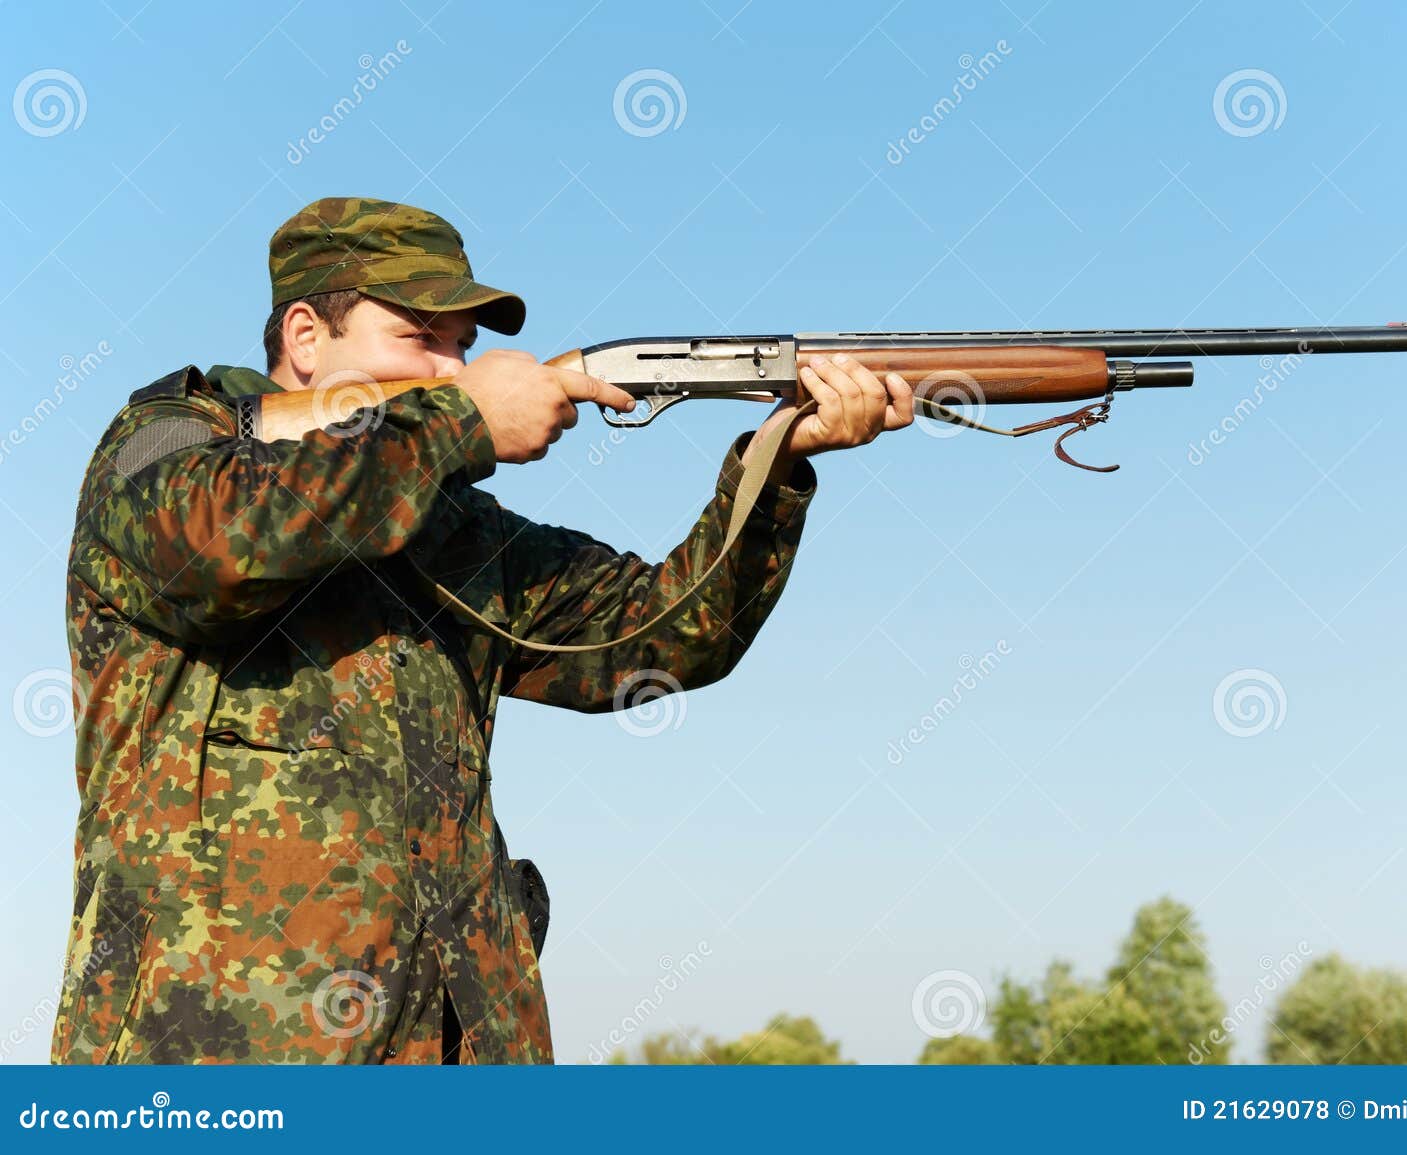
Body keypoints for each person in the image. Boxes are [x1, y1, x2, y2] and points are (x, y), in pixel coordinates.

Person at [52, 197, 914, 1064]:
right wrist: (459, 422)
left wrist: (776, 466)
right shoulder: (161, 441)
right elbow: (219, 544)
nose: (456, 366)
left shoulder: (457, 530)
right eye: (420, 337)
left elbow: (664, 636)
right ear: (307, 337)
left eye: (461, 344)